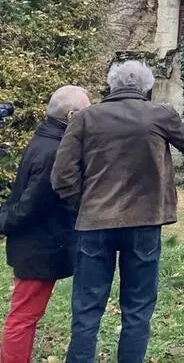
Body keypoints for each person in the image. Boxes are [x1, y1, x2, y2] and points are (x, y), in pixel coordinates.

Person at [51, 60, 184, 363]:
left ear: (111, 85)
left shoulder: (85, 118)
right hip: (144, 222)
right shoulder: (160, 114)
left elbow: (62, 176)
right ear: (146, 87)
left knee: (86, 308)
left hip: (94, 223)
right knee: (138, 307)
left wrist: (83, 204)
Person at [0, 86, 90, 363]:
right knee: (23, 317)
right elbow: (31, 203)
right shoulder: (55, 150)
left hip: (36, 244)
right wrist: (5, 221)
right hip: (38, 246)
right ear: (72, 115)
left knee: (24, 315)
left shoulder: (44, 137)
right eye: (86, 113)